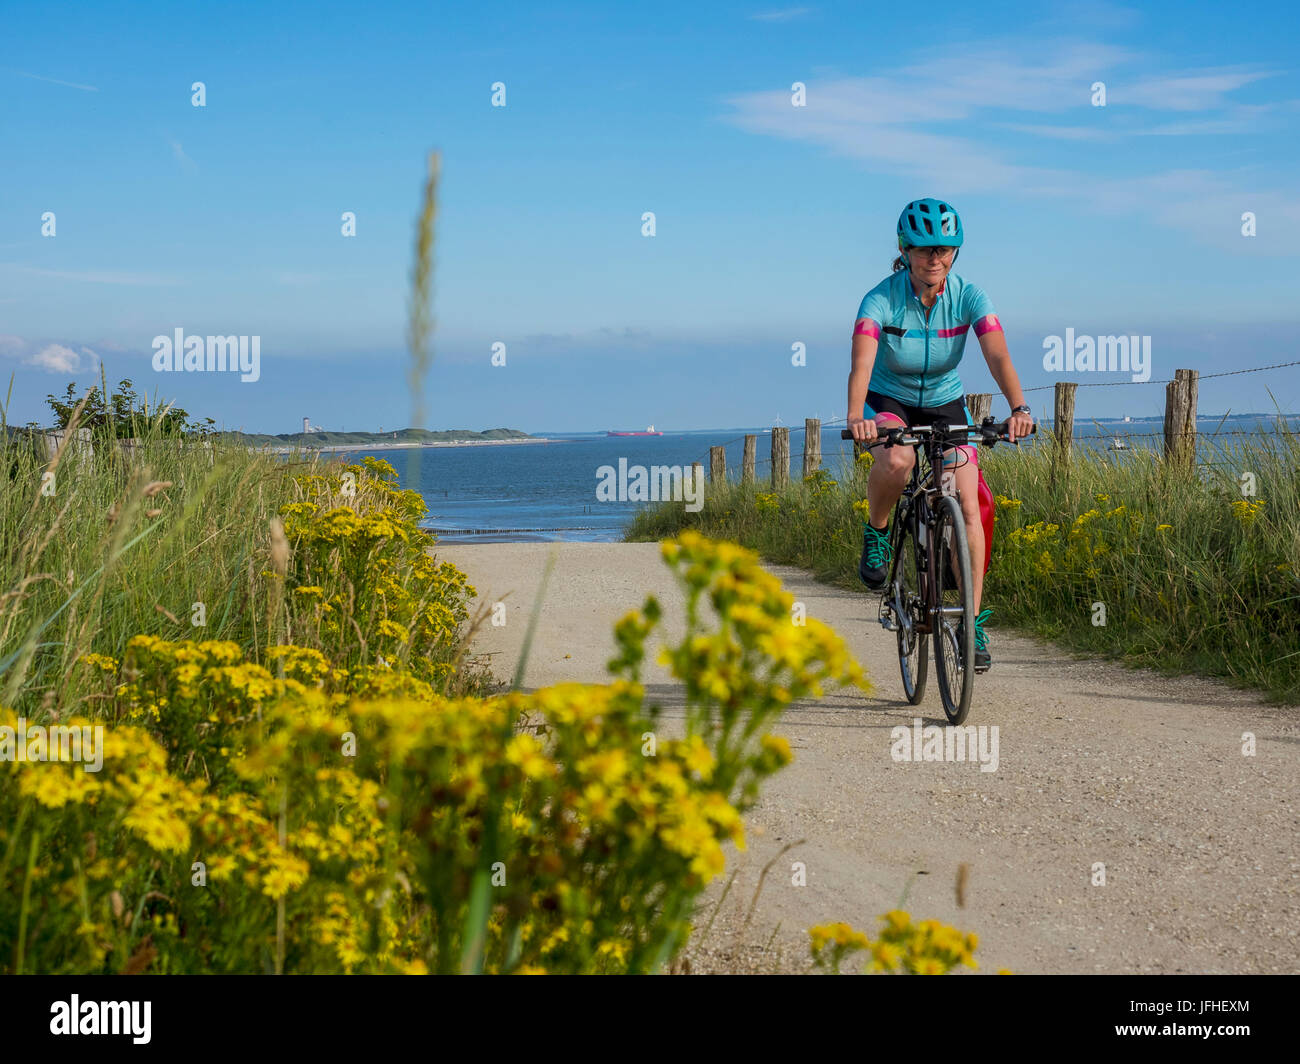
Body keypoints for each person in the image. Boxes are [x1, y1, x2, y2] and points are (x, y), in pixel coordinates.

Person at [847, 198, 1033, 670]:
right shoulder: (880, 300)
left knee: (967, 500)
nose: (936, 259)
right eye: (926, 249)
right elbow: (862, 363)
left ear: (955, 253)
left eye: (945, 249)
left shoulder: (971, 296)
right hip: (889, 400)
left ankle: (971, 624)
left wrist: (1019, 407)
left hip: (946, 401)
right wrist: (857, 417)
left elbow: (997, 356)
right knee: (899, 461)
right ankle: (878, 530)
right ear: (906, 250)